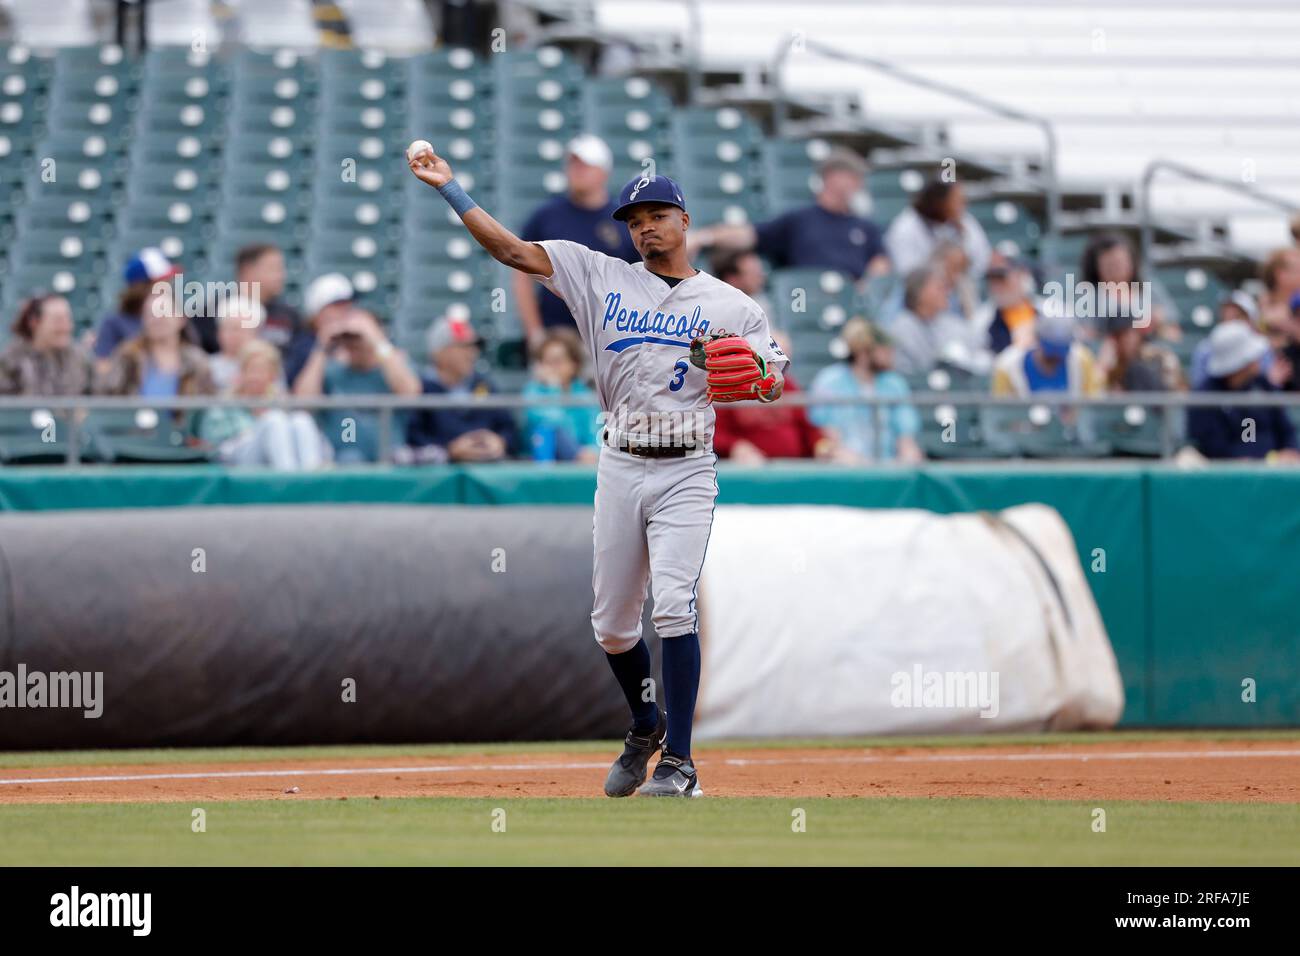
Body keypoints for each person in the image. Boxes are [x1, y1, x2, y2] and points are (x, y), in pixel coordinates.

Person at [409, 144, 787, 798]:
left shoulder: (732, 306)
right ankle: (646, 724)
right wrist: (453, 189)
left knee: (672, 605)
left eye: (657, 213)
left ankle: (682, 761)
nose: (644, 225)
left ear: (685, 219)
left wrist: (753, 376)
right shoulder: (596, 274)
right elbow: (513, 251)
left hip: (686, 467)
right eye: (634, 216)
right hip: (619, 462)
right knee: (612, 625)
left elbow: (771, 383)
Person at [689, 148, 889, 282]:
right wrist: (704, 237)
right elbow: (749, 235)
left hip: (850, 303)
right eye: (854, 177)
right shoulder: (799, 220)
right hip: (804, 299)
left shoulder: (865, 227)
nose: (859, 185)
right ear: (832, 177)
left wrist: (865, 287)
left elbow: (880, 264)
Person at [513, 134, 638, 343]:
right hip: (557, 336)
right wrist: (534, 332)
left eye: (585, 166)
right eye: (573, 164)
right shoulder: (546, 215)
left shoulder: (624, 219)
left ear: (603, 172)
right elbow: (520, 272)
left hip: (610, 336)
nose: (577, 171)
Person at [292, 302, 421, 464]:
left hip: (390, 458)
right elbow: (303, 402)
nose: (353, 342)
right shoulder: (332, 371)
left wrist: (375, 338)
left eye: (357, 336)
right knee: (351, 458)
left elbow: (411, 393)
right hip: (345, 459)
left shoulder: (392, 366)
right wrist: (322, 348)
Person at [199, 339, 330, 470]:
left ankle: (312, 480)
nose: (256, 376)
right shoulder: (225, 403)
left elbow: (319, 444)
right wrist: (252, 432)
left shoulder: (283, 402)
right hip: (237, 463)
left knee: (301, 419)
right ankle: (289, 481)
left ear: (273, 375)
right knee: (274, 420)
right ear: (242, 371)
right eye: (252, 369)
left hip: (283, 460)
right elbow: (215, 448)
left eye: (263, 370)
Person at [403, 316, 517, 463]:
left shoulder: (484, 385)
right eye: (462, 346)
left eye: (473, 347)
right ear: (439, 353)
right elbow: (414, 440)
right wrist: (449, 451)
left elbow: (509, 429)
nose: (472, 353)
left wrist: (500, 442)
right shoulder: (421, 389)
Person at [809, 318, 922, 463]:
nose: (890, 353)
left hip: (889, 468)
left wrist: (907, 457)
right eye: (882, 348)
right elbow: (827, 436)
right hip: (846, 469)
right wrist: (852, 460)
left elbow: (906, 438)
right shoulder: (829, 381)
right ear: (862, 353)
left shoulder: (895, 383)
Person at [1187, 322, 1300, 462]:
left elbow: (1285, 430)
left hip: (1274, 472)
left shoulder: (1262, 384)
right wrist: (1260, 460)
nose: (1257, 359)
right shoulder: (1204, 397)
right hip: (1229, 477)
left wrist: (1290, 451)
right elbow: (1214, 449)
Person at [97, 283, 214, 397]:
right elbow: (107, 399)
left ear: (181, 318)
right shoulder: (127, 357)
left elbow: (208, 407)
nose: (157, 319)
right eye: (150, 314)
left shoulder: (197, 362)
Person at [91, 248, 182, 378]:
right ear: (141, 287)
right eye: (160, 283)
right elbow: (103, 370)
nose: (167, 287)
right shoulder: (114, 323)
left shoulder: (173, 317)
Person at [889, 265, 991, 375]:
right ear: (919, 292)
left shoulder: (950, 322)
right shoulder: (902, 326)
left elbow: (981, 348)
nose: (947, 293)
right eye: (939, 288)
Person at [884, 178, 991, 278]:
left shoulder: (964, 221)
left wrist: (963, 236)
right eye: (956, 200)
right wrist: (942, 266)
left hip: (956, 288)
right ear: (940, 202)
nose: (962, 205)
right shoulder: (905, 227)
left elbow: (982, 262)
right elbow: (907, 275)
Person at [521, 329, 600, 463]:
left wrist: (593, 451)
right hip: (542, 460)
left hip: (581, 460)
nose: (551, 367)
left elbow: (595, 432)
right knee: (546, 431)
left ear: (574, 364)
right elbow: (554, 424)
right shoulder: (532, 391)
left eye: (557, 361)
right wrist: (554, 389)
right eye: (546, 362)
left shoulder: (585, 395)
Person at [0, 293, 93, 395]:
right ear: (34, 323)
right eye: (58, 320)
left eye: (68, 319)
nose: (65, 327)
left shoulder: (79, 358)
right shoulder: (11, 359)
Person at [283, 273, 356, 389]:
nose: (344, 312)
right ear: (317, 314)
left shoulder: (359, 342)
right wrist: (322, 348)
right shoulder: (302, 346)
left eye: (347, 306)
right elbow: (303, 401)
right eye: (336, 306)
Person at [1097, 312, 1185, 393]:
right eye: (1118, 336)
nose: (1126, 340)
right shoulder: (1112, 365)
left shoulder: (1157, 358)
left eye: (1128, 334)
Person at [235, 243, 300, 351]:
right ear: (248, 271)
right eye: (273, 269)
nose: (281, 276)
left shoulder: (289, 315)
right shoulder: (216, 311)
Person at [972, 255, 1039, 354]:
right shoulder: (982, 321)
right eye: (991, 279)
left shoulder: (1049, 310)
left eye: (1001, 277)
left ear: (1020, 275)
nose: (996, 285)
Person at [209, 295, 266, 392]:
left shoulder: (268, 365)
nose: (237, 336)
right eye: (232, 329)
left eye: (244, 329)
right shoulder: (208, 367)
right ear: (219, 333)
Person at [711, 248, 773, 318]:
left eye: (760, 271)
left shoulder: (759, 299)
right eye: (753, 273)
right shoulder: (727, 314)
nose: (762, 277)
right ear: (732, 279)